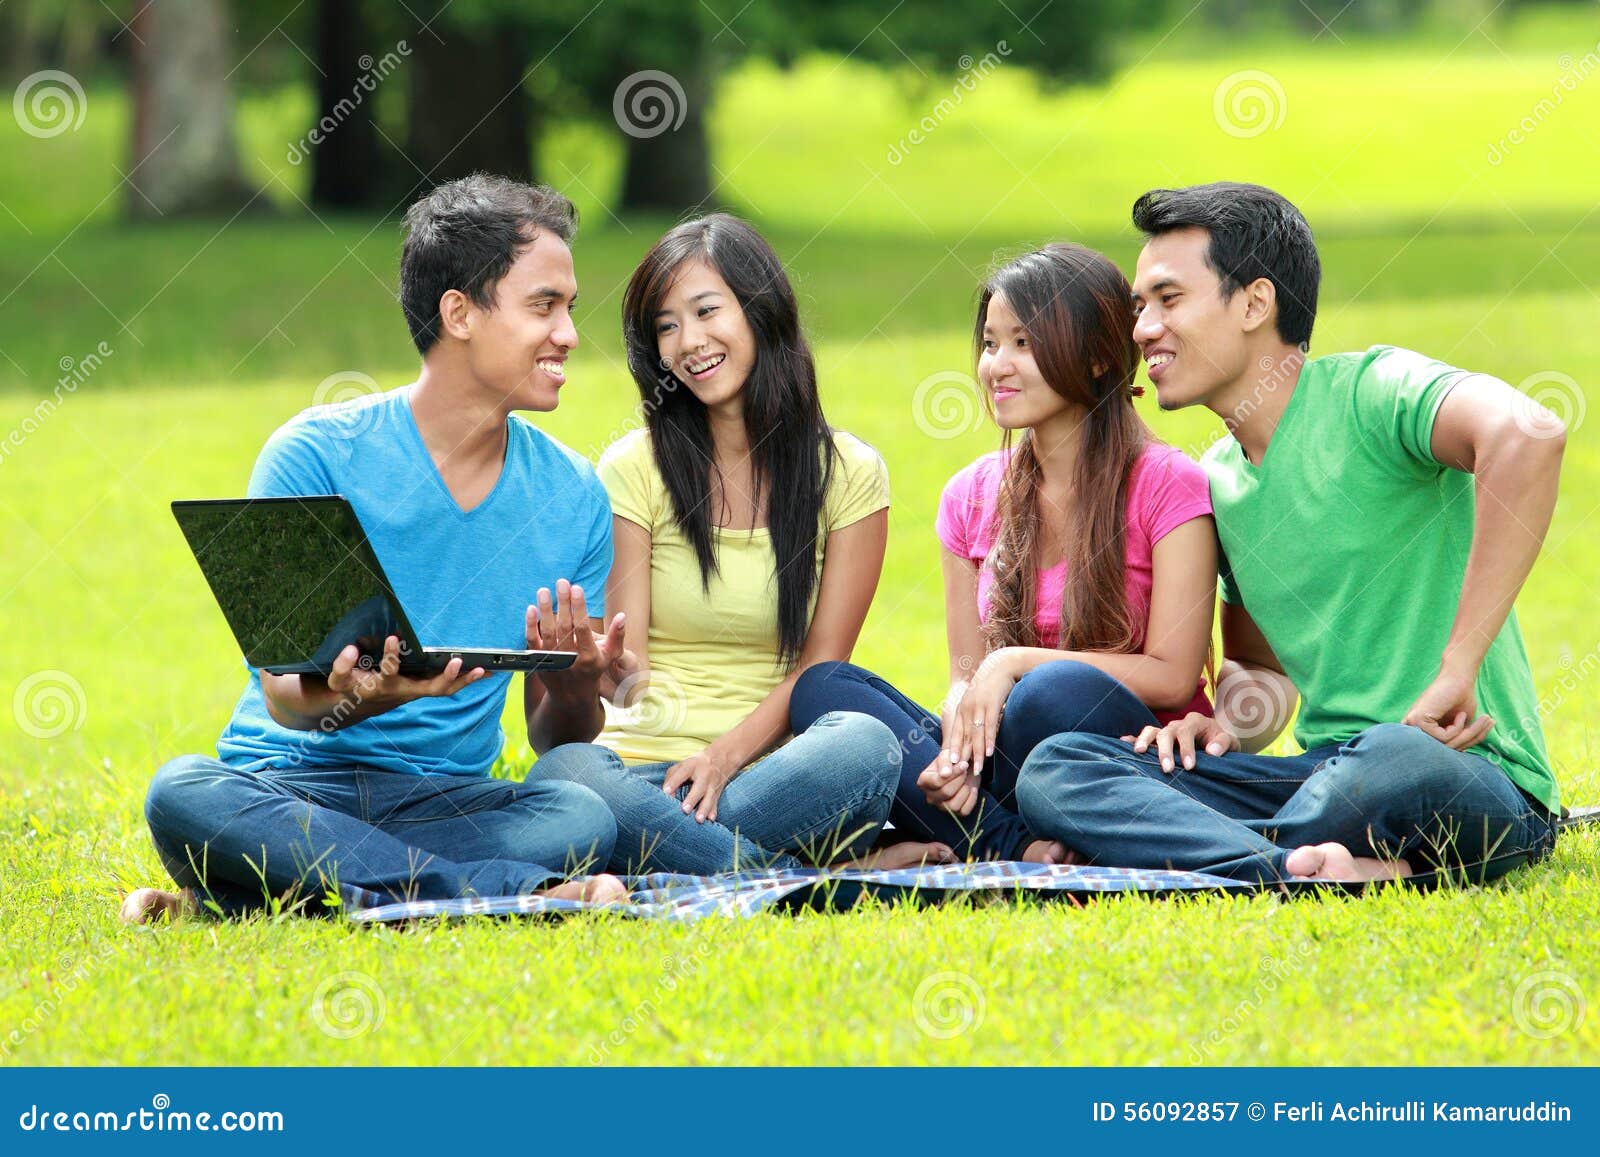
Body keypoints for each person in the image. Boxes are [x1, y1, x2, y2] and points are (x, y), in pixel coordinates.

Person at [1016, 181, 1564, 884]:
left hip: (1463, 767)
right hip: (1321, 773)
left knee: (1392, 762)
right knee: (1059, 768)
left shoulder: (1374, 393)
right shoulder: (1218, 482)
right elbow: (1262, 670)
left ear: (1254, 303)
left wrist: (1458, 667)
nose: (1143, 329)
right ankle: (1299, 865)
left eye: (1168, 299)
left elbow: (1529, 435)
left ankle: (1217, 846)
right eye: (1139, 307)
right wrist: (1225, 726)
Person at [123, 175, 631, 922]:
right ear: (458, 312)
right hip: (294, 786)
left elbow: (553, 735)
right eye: (543, 306)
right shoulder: (313, 455)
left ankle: (265, 893)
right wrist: (369, 695)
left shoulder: (573, 493)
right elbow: (284, 698)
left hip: (444, 802)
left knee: (580, 814)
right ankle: (500, 890)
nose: (569, 335)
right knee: (182, 791)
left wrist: (579, 685)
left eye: (570, 308)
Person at [789, 244, 1218, 863]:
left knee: (1051, 692)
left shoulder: (1168, 484)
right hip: (1002, 759)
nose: (997, 365)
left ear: (1098, 357)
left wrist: (1014, 663)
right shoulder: (969, 495)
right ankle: (1010, 844)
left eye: (1024, 342)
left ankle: (977, 837)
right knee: (825, 687)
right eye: (990, 344)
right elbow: (967, 673)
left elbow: (1174, 677)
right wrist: (957, 744)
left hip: (1120, 754)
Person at [533, 214, 925, 874]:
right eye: (666, 326)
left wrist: (722, 757)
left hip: (772, 778)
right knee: (566, 773)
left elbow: (822, 672)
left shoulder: (849, 474)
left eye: (706, 310)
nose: (689, 342)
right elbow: (630, 677)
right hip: (643, 773)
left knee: (866, 742)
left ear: (761, 309)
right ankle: (798, 877)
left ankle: (676, 859)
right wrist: (602, 671)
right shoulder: (634, 467)